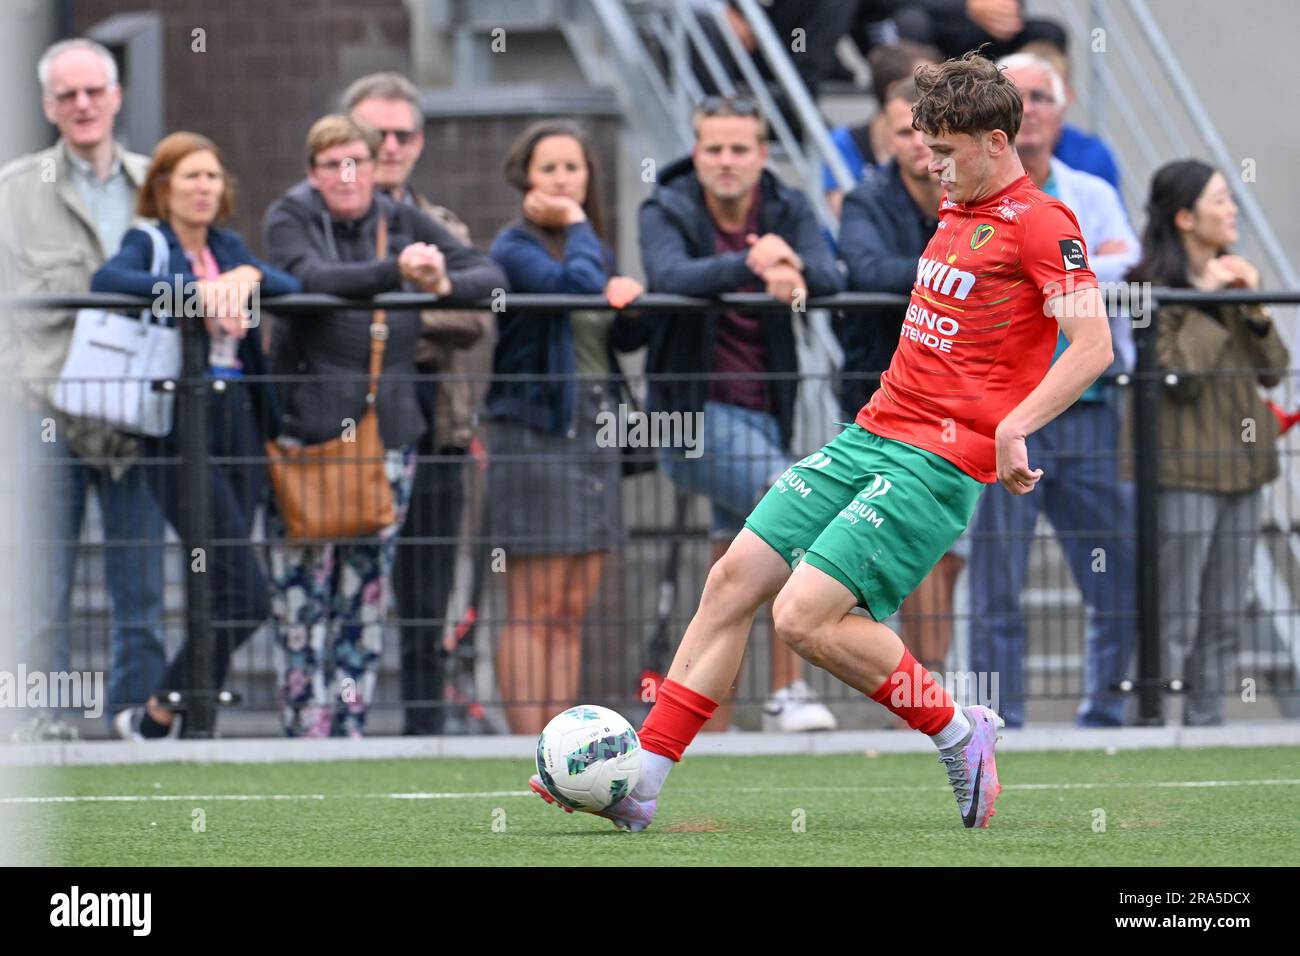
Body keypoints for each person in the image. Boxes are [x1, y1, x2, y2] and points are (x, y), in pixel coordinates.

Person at [532, 53, 1114, 831]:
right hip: (870, 433)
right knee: (732, 578)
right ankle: (645, 784)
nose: (931, 165)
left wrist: (1014, 425)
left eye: (944, 152)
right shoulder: (958, 211)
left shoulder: (1045, 224)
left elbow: (1092, 345)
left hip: (936, 464)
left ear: (996, 141)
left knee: (802, 619)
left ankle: (955, 729)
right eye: (926, 148)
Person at [263, 115, 506, 737]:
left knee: (365, 591)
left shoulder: (399, 217)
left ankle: (348, 728)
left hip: (391, 432)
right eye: (330, 166)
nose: (346, 177)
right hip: (308, 433)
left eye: (357, 164)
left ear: (375, 169)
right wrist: (400, 273)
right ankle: (304, 728)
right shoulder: (290, 214)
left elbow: (489, 277)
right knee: (302, 597)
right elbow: (314, 278)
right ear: (313, 174)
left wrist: (441, 281)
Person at [636, 96, 845, 734]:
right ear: (696, 154)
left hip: (767, 415)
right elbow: (669, 274)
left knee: (737, 568)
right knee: (796, 512)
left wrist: (798, 268)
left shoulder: (786, 206)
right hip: (691, 421)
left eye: (740, 149)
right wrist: (755, 263)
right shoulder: (664, 205)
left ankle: (701, 713)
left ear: (761, 154)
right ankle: (789, 689)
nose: (727, 162)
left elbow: (833, 273)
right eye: (714, 149)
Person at [91, 132, 302, 739]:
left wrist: (242, 273)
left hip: (238, 419)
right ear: (162, 188)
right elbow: (109, 281)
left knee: (224, 584)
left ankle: (177, 719)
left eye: (213, 177)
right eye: (190, 177)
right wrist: (197, 292)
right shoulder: (149, 241)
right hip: (176, 424)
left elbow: (284, 287)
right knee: (248, 594)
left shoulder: (227, 245)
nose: (205, 188)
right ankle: (163, 707)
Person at [963, 53, 1139, 728]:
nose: (1029, 109)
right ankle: (999, 719)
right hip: (1005, 407)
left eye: (1041, 97)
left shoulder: (1089, 189)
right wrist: (1061, 272)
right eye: (1018, 96)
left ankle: (1107, 712)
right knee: (996, 579)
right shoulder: (976, 200)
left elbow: (1125, 261)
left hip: (1088, 410)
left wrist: (1045, 272)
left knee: (1112, 566)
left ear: (1060, 113)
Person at [0, 38, 167, 739]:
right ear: (47, 106)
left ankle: (132, 721)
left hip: (133, 417)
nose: (82, 105)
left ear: (116, 95)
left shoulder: (158, 182)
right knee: (40, 587)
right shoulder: (14, 190)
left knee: (142, 587)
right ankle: (44, 720)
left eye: (93, 90)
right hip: (47, 415)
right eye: (66, 95)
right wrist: (18, 383)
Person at [342, 72, 495, 736]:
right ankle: (331, 730)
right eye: (377, 133)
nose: (390, 145)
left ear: (420, 142)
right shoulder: (326, 218)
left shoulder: (441, 223)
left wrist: (384, 315)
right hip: (348, 428)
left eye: (403, 133)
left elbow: (474, 317)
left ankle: (423, 733)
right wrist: (417, 307)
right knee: (345, 588)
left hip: (438, 425)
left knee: (427, 590)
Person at [486, 120, 644, 735]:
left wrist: (631, 302)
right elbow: (575, 291)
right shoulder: (514, 246)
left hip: (595, 429)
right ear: (527, 178)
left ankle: (561, 746)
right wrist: (580, 225)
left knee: (572, 608)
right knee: (533, 606)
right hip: (536, 430)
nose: (560, 179)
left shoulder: (593, 247)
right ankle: (527, 744)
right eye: (548, 168)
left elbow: (617, 335)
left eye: (571, 168)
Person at [1127, 160, 1287, 726]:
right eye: (1221, 199)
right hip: (1180, 472)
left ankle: (1206, 721)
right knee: (1172, 611)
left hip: (1244, 470)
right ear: (1186, 217)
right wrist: (1203, 300)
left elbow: (1274, 370)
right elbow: (1176, 373)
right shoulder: (1146, 287)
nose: (1233, 209)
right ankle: (1150, 721)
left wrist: (1259, 311)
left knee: (1224, 612)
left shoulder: (1237, 276)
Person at [838, 77, 964, 696]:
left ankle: (931, 684)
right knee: (862, 554)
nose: (921, 145)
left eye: (931, 133)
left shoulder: (979, 203)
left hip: (956, 414)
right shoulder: (867, 199)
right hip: (874, 404)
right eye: (906, 131)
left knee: (938, 549)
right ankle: (921, 691)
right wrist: (954, 274)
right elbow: (865, 269)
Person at [822, 41, 941, 217]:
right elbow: (844, 221)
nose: (942, 93)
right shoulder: (841, 143)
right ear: (895, 90)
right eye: (928, 85)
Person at [1018, 40, 1121, 192]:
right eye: (1021, 93)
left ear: (1068, 94)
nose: (1029, 109)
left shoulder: (1093, 156)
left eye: (1040, 95)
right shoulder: (995, 150)